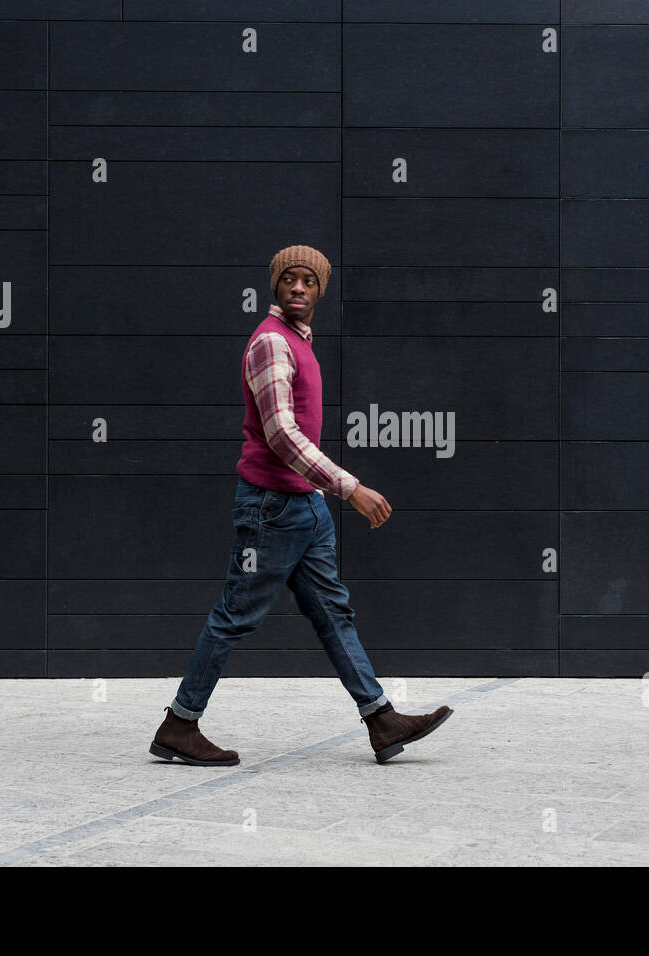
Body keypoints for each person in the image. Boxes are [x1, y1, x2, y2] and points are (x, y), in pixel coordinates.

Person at [150, 245, 453, 766]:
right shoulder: (271, 343)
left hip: (303, 507)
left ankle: (381, 720)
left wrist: (321, 494)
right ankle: (179, 724)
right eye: (288, 279)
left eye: (308, 282)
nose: (298, 288)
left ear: (320, 291)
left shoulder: (300, 342)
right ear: (275, 287)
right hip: (272, 508)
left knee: (333, 612)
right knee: (234, 617)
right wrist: (349, 488)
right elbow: (282, 436)